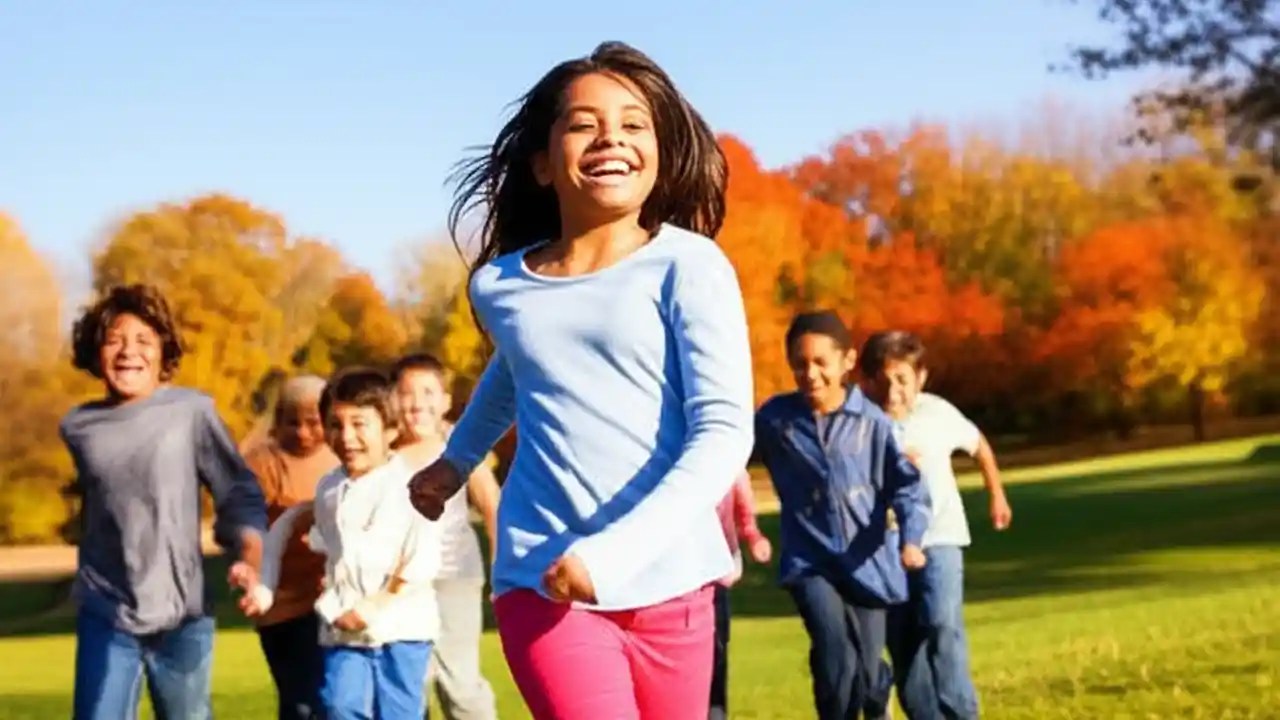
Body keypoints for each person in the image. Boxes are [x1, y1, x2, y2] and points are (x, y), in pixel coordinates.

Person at [406, 40, 755, 720]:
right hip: (543, 574)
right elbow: (515, 367)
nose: (611, 139)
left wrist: (614, 554)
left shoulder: (690, 266)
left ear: (660, 150)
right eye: (583, 123)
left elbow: (723, 433)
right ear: (542, 163)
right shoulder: (501, 285)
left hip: (672, 579)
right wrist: (456, 461)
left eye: (633, 123)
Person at [60, 283, 267, 720]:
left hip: (182, 614)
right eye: (114, 339)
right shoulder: (79, 428)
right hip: (107, 610)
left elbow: (237, 490)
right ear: (96, 350)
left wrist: (250, 555)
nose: (127, 352)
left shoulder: (191, 412)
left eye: (142, 340)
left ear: (163, 352)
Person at [753, 310, 931, 720]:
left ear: (847, 362)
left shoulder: (872, 423)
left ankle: (876, 696)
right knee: (834, 651)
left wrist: (911, 539)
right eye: (800, 364)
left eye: (820, 362)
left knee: (867, 674)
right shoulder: (777, 421)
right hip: (810, 561)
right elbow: (725, 449)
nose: (810, 374)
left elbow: (906, 485)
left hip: (866, 563)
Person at [243, 367, 445, 720]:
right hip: (343, 630)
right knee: (339, 706)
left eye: (359, 424)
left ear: (391, 430)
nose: (346, 437)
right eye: (335, 425)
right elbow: (286, 525)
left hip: (403, 629)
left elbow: (421, 559)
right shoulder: (329, 489)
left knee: (398, 714)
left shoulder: (411, 487)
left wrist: (377, 604)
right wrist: (266, 587)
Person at [859, 331, 1012, 720]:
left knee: (942, 621)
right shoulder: (859, 421)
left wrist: (997, 494)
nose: (892, 391)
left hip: (940, 536)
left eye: (902, 380)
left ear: (920, 378)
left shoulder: (937, 413)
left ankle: (961, 711)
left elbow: (979, 446)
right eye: (882, 380)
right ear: (867, 380)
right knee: (904, 640)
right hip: (886, 546)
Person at [390, 353, 500, 720]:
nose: (417, 402)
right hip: (400, 582)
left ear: (446, 401)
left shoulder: (460, 441)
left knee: (459, 680)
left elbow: (491, 504)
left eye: (427, 392)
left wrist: (501, 570)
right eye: (406, 393)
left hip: (454, 576)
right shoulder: (384, 450)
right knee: (408, 680)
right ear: (392, 400)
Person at [243, 374, 339, 720]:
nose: (301, 432)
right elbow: (250, 528)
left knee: (331, 698)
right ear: (277, 422)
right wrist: (254, 577)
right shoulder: (262, 462)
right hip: (281, 603)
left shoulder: (340, 456)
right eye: (291, 422)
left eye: (312, 422)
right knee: (299, 701)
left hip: (330, 598)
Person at [709, 471, 773, 720]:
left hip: (718, 573)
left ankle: (715, 712)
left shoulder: (729, 462)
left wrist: (754, 538)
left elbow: (745, 513)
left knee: (717, 652)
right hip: (676, 578)